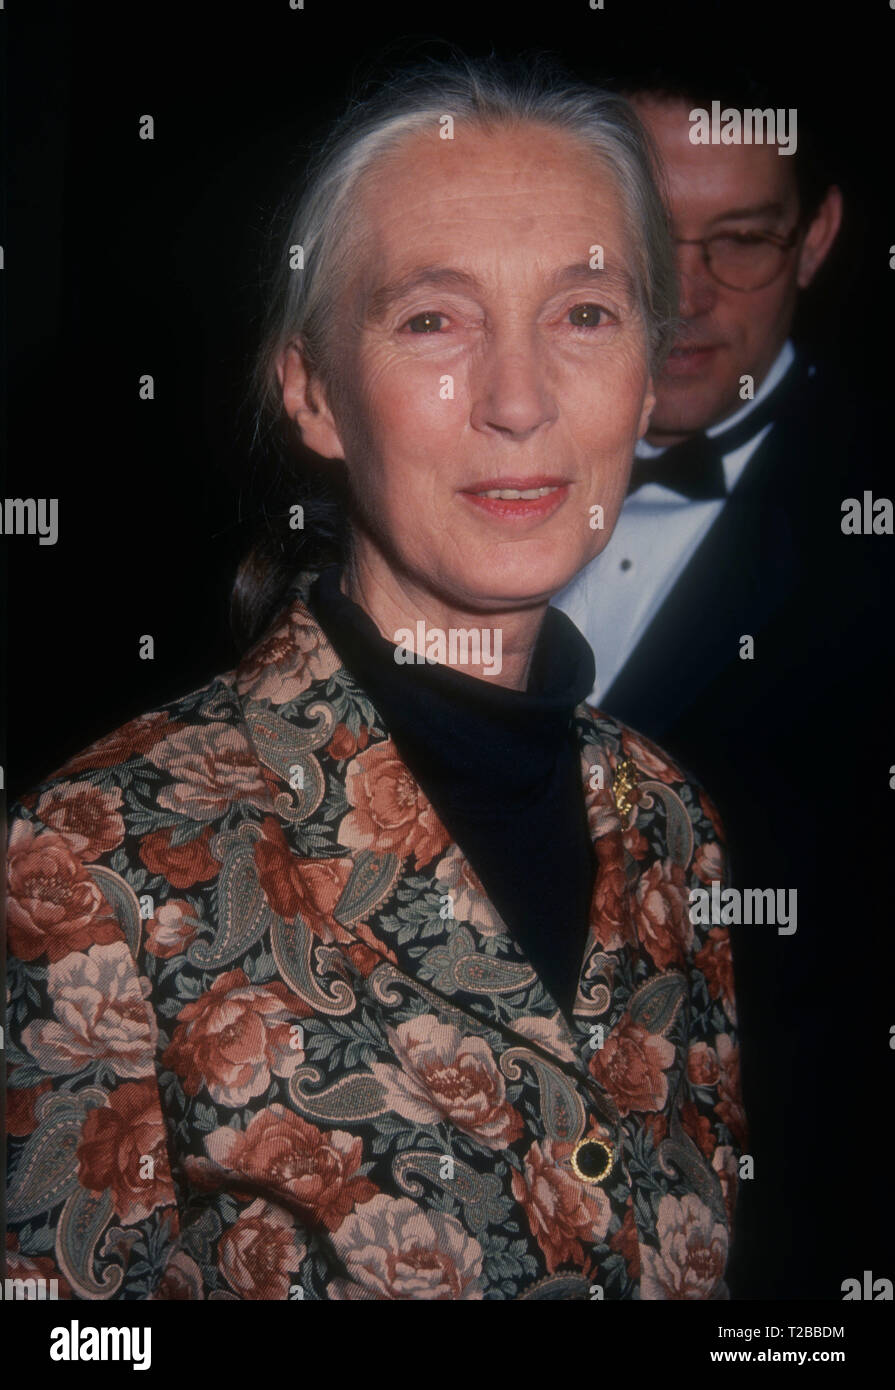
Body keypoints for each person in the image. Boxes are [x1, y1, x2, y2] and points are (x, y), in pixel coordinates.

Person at [5, 55, 745, 1301]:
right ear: (314, 392)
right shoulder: (92, 859)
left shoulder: (673, 823)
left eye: (583, 313)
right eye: (432, 319)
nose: (519, 401)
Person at [553, 66, 893, 1298]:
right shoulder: (434, 437)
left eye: (740, 243)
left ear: (817, 236)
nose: (681, 295)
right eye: (640, 231)